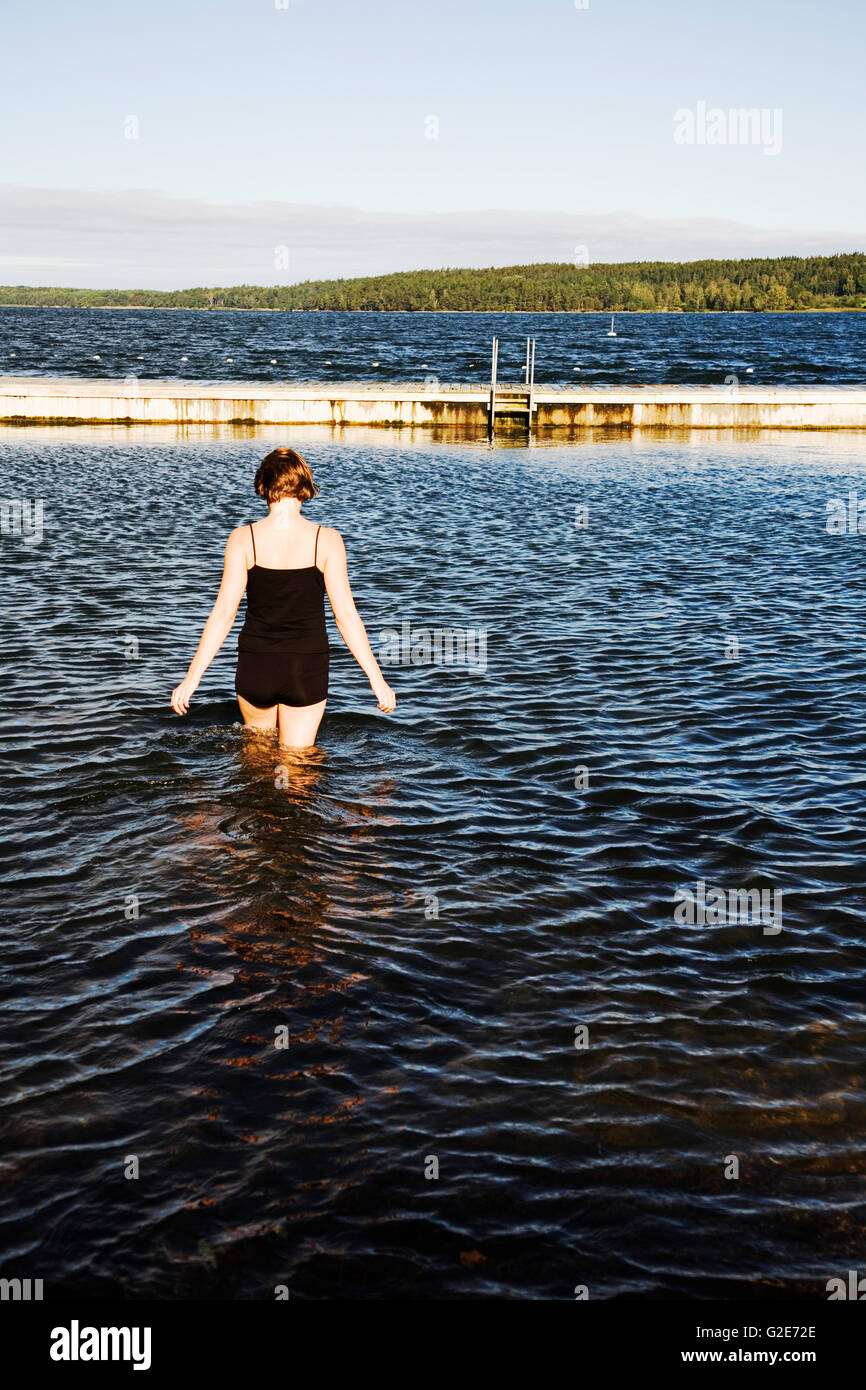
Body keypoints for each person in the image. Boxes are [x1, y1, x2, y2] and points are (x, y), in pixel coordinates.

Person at [171, 447, 396, 748]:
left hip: (256, 666)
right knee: (298, 773)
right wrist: (376, 679)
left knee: (256, 765)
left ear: (263, 487)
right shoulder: (327, 541)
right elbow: (346, 617)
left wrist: (191, 678)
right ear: (305, 488)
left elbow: (224, 614)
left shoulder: (243, 538)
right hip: (305, 668)